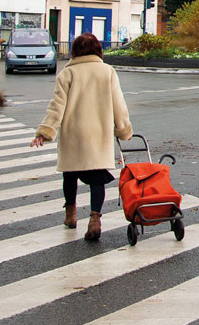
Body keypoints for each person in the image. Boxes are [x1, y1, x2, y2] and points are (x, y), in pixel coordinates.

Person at [30, 32, 133, 242]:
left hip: (73, 133)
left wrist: (46, 130)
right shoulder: (107, 72)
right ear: (98, 50)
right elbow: (118, 103)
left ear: (75, 51)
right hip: (98, 134)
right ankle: (95, 219)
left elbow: (57, 106)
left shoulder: (67, 73)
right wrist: (123, 128)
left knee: (70, 175)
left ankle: (71, 215)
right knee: (97, 178)